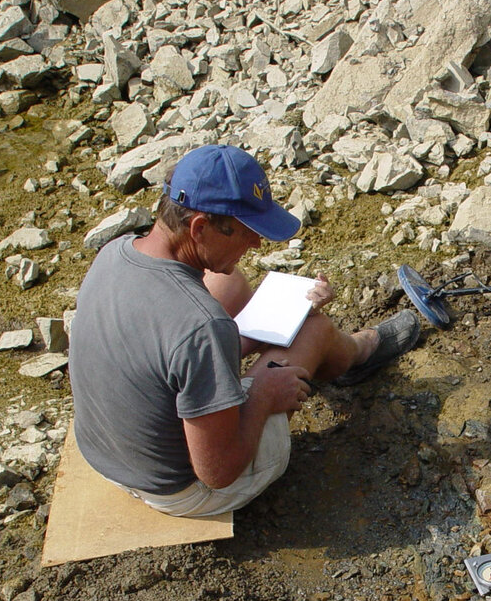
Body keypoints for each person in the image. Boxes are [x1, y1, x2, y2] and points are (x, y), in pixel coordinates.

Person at [68, 144, 419, 517]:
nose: (256, 243)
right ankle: (359, 354)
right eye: (246, 231)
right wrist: (263, 397)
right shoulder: (201, 326)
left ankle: (334, 346)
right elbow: (218, 472)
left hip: (105, 452)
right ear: (199, 227)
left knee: (230, 284)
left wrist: (270, 324)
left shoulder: (116, 251)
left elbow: (170, 346)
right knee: (314, 329)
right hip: (182, 490)